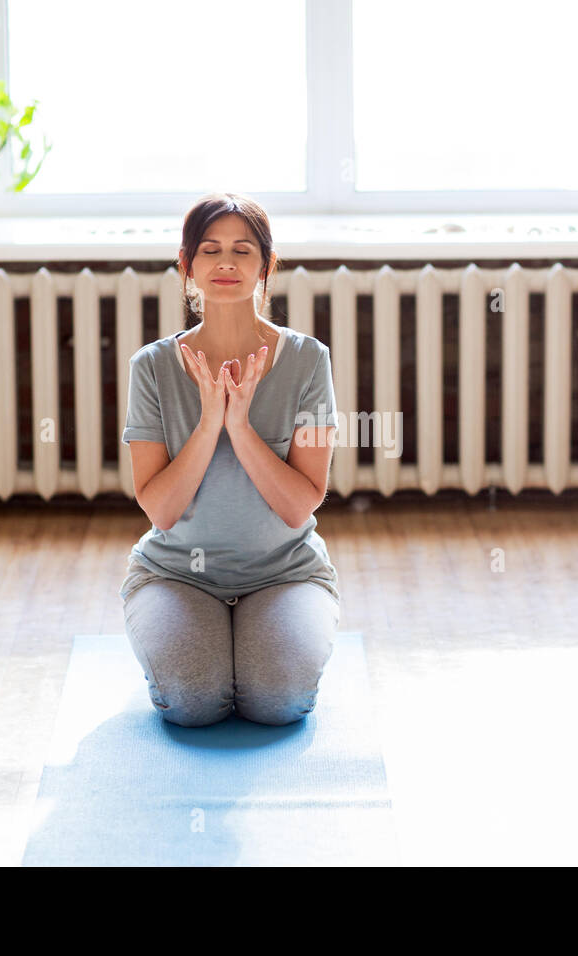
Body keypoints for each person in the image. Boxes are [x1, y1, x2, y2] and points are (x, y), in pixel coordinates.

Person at [119, 192, 340, 727]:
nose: (225, 263)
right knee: (194, 704)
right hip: (176, 575)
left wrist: (240, 427)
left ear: (265, 266)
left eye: (243, 250)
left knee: (278, 702)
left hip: (285, 574)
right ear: (187, 265)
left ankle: (257, 645)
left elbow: (298, 507)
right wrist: (209, 423)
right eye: (210, 249)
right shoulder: (151, 367)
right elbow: (161, 512)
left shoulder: (308, 360)